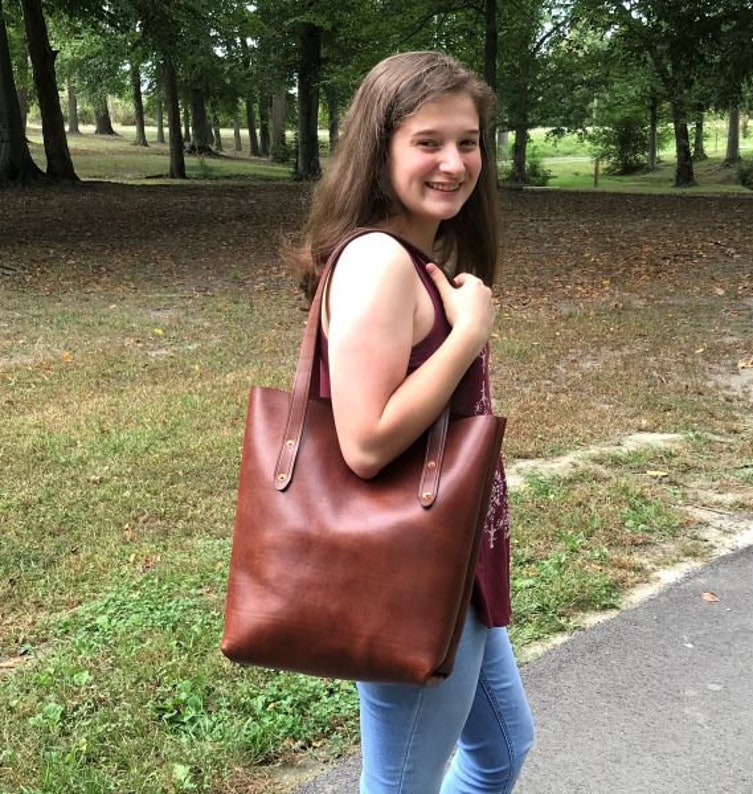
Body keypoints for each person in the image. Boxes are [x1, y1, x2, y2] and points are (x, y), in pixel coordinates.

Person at [292, 50, 534, 794]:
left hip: (453, 557)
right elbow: (365, 443)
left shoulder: (414, 257)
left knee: (501, 750)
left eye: (468, 142)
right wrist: (468, 335)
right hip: (409, 567)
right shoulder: (378, 261)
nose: (454, 163)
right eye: (428, 142)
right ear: (381, 148)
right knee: (401, 783)